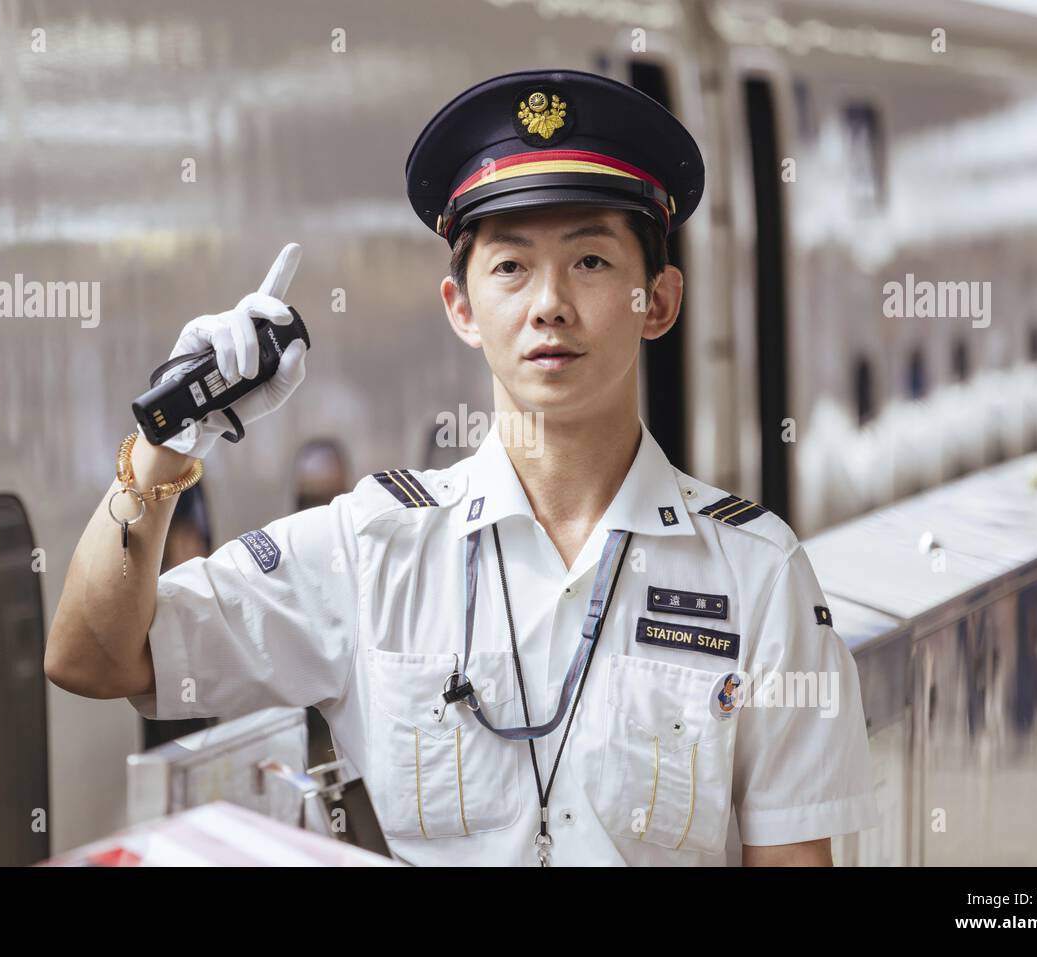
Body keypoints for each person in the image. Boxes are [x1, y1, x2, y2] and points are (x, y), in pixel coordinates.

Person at [45, 68, 879, 866]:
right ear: (462, 309)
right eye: (510, 267)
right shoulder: (373, 549)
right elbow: (94, 657)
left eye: (590, 262)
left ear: (656, 300)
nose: (549, 302)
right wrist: (166, 434)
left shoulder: (758, 575)